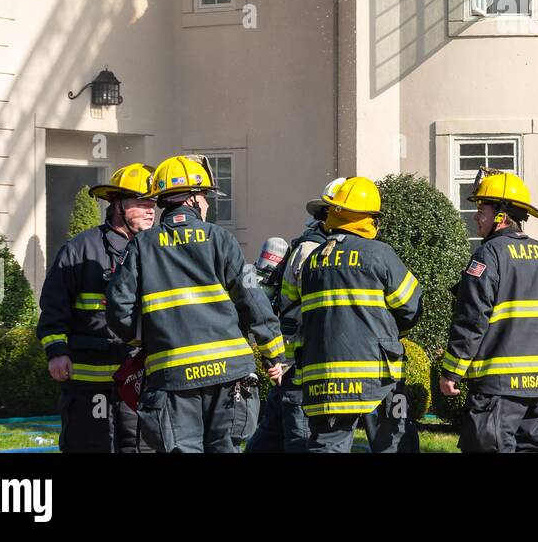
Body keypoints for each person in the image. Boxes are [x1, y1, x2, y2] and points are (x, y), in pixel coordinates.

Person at [106, 154, 285, 453]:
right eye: (205, 197)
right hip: (228, 373)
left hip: (172, 374)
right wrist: (273, 354)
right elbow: (252, 298)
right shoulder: (221, 239)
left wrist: (145, 338)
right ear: (192, 199)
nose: (207, 204)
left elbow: (117, 306)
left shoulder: (142, 245)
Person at [438, 169, 538, 453]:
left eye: (481, 209)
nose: (476, 216)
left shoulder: (488, 255)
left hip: (498, 391)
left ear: (501, 215)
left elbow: (472, 319)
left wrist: (451, 371)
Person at [296, 176, 423, 453]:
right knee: (394, 443)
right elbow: (412, 306)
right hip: (377, 379)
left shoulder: (314, 260)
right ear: (369, 219)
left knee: (327, 447)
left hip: (324, 380)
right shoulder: (379, 254)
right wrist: (391, 332)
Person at [37, 163, 156, 453]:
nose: (151, 209)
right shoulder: (80, 250)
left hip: (139, 378)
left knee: (139, 447)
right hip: (90, 381)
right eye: (142, 202)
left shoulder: (157, 250)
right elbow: (53, 307)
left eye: (153, 203)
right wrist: (56, 351)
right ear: (118, 204)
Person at [245, 184, 341, 454]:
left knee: (266, 440)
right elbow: (309, 313)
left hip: (288, 365)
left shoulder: (310, 244)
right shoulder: (314, 251)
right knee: (300, 442)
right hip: (300, 368)